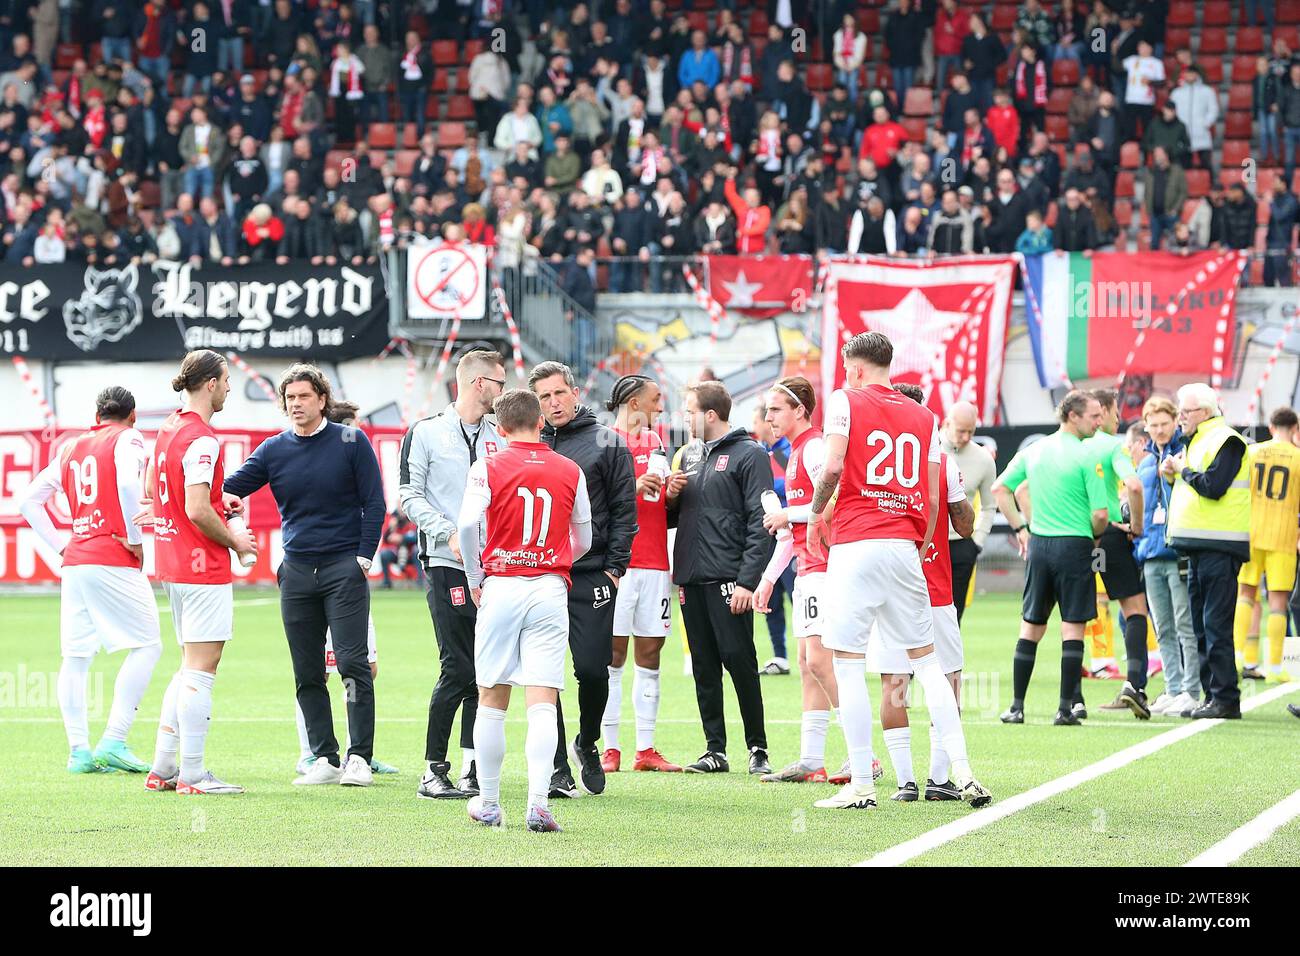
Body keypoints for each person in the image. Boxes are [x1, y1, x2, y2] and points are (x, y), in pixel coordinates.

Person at [808, 331, 991, 810]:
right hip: (905, 546)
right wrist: (921, 542)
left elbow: (830, 470)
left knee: (847, 664)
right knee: (929, 663)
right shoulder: (927, 417)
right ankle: (963, 771)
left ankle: (864, 784)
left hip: (857, 542)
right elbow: (933, 498)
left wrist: (813, 516)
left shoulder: (845, 399)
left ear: (856, 366)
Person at [223, 364, 385, 788]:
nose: (296, 405)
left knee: (352, 665)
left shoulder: (352, 440)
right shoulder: (274, 448)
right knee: (307, 670)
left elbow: (375, 503)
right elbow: (231, 488)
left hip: (343, 569)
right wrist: (214, 500)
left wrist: (364, 558)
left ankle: (359, 758)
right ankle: (325, 758)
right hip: (295, 571)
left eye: (304, 397)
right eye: (290, 398)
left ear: (322, 399)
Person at [457, 389, 593, 833]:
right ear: (541, 423)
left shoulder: (488, 465)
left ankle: (490, 802)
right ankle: (538, 804)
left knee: (492, 698)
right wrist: (555, 561)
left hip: (501, 585)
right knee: (542, 700)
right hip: (550, 588)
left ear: (498, 428)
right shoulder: (569, 468)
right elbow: (585, 537)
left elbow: (465, 525)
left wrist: (476, 577)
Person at [18, 386, 161, 774]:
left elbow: (28, 500)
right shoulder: (129, 437)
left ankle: (78, 751)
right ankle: (115, 738)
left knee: (76, 658)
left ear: (96, 416)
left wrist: (61, 546)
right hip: (111, 555)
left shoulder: (70, 447)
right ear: (132, 415)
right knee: (148, 645)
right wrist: (135, 541)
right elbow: (131, 486)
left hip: (77, 560)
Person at [141, 350, 257, 794]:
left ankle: (163, 767)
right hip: (201, 564)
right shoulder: (203, 438)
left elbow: (155, 490)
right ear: (210, 383)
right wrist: (235, 539)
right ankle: (193, 772)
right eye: (226, 380)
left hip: (172, 561)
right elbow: (193, 508)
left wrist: (216, 498)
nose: (229, 387)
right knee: (202, 670)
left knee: (188, 666)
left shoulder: (169, 427)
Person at [399, 349, 505, 799]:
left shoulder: (499, 436)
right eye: (499, 383)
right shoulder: (424, 432)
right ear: (479, 383)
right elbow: (407, 494)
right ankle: (432, 769)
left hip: (495, 569)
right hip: (446, 564)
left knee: (485, 668)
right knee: (458, 665)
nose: (504, 391)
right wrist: (449, 533)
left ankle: (471, 767)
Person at [530, 362, 637, 798]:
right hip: (541, 575)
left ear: (574, 392)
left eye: (559, 393)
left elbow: (625, 510)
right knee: (545, 673)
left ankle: (587, 742)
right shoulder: (530, 443)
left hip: (592, 574)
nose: (553, 403)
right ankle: (557, 766)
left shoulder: (606, 442)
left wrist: (615, 568)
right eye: (543, 397)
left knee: (593, 670)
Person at [865, 383, 976, 802]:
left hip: (885, 588)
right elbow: (963, 528)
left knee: (894, 682)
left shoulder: (870, 461)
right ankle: (939, 779)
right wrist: (957, 497)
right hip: (932, 588)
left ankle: (905, 781)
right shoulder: (940, 462)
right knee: (946, 678)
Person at [668, 380, 775, 776]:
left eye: (690, 410)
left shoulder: (750, 455)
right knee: (703, 667)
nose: (685, 417)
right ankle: (715, 749)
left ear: (710, 415)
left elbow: (760, 522)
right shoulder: (688, 456)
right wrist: (670, 498)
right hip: (691, 579)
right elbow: (672, 519)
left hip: (729, 580)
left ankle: (758, 747)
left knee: (740, 662)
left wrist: (748, 581)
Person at [292, 399, 398, 777]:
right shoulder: (323, 462)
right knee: (315, 669)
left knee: (362, 667)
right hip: (319, 576)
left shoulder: (355, 465)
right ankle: (313, 752)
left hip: (349, 577)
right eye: (352, 428)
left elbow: (374, 504)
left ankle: (359, 751)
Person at [992, 390, 1109, 726]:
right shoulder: (1088, 457)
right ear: (1073, 415)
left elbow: (1002, 489)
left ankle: (1016, 707)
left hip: (1040, 547)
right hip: (1075, 546)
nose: (1098, 422)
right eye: (1093, 416)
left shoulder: (1034, 450)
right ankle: (1065, 708)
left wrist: (1022, 528)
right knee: (1072, 628)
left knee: (1030, 627)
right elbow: (1100, 514)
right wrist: (1094, 535)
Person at [754, 378, 838, 783]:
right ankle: (811, 759)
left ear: (800, 411)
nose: (768, 417)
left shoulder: (816, 447)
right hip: (806, 569)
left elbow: (834, 499)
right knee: (806, 664)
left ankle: (863, 755)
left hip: (825, 568)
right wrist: (769, 579)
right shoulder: (795, 452)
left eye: (775, 409)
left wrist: (791, 513)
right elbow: (794, 528)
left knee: (821, 661)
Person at [600, 374, 682, 774]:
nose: (661, 406)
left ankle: (645, 749)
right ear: (634, 402)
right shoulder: (603, 441)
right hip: (618, 566)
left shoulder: (655, 442)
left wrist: (672, 491)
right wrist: (633, 486)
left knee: (649, 654)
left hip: (655, 564)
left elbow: (660, 500)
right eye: (655, 399)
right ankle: (611, 748)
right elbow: (595, 502)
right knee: (613, 656)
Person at [1163, 383, 1251, 719]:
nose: (1180, 417)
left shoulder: (1226, 440)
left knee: (1215, 625)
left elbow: (1213, 487)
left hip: (1220, 546)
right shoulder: (1199, 441)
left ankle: (1225, 698)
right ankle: (1212, 696)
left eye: (1186, 411)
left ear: (1206, 412)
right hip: (1199, 546)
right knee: (1202, 626)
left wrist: (1181, 471)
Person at [1081, 389, 1152, 718]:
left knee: (1076, 612)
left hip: (1073, 536)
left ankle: (1071, 699)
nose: (1117, 418)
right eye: (1113, 412)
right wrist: (1135, 526)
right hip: (1109, 533)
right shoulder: (1112, 446)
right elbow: (1134, 486)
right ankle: (1135, 686)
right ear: (1102, 411)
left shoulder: (1068, 445)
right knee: (1134, 608)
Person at [1135, 397, 1199, 717]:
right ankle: (1173, 688)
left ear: (1175, 421)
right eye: (1153, 424)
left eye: (1164, 423)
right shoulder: (1145, 462)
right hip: (1150, 553)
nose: (1159, 430)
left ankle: (1192, 689)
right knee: (1162, 626)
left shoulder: (1185, 454)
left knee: (1184, 622)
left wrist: (1174, 476)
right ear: (1146, 426)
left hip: (1177, 551)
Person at [1234, 407, 1300, 683]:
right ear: (1295, 429)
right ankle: (1274, 667)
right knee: (1278, 602)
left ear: (1271, 427)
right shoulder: (1298, 457)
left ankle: (1238, 657)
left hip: (1251, 532)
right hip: (1283, 535)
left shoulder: (1252, 452)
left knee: (1245, 596)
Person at [940, 401, 998, 621]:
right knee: (920, 612)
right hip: (928, 542)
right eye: (961, 431)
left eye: (971, 431)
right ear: (947, 423)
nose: (965, 437)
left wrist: (977, 542)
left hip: (962, 545)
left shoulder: (983, 459)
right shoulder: (927, 447)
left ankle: (950, 657)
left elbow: (989, 505)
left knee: (955, 615)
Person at [750, 402, 794, 674]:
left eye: (760, 420)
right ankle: (780, 657)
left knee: (796, 595)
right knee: (772, 597)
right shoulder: (760, 453)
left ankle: (818, 654)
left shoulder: (787, 453)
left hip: (792, 537)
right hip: (768, 536)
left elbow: (789, 486)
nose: (756, 426)